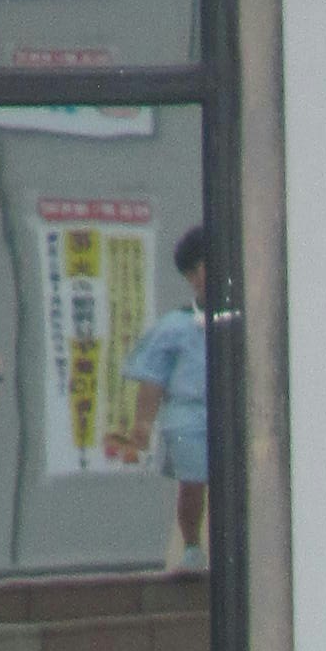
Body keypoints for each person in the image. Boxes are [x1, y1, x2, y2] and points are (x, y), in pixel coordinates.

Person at [124, 224, 210, 572]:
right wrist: (142, 424)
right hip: (187, 413)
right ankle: (191, 545)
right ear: (192, 275)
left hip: (234, 413)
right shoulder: (175, 325)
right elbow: (153, 378)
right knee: (192, 480)